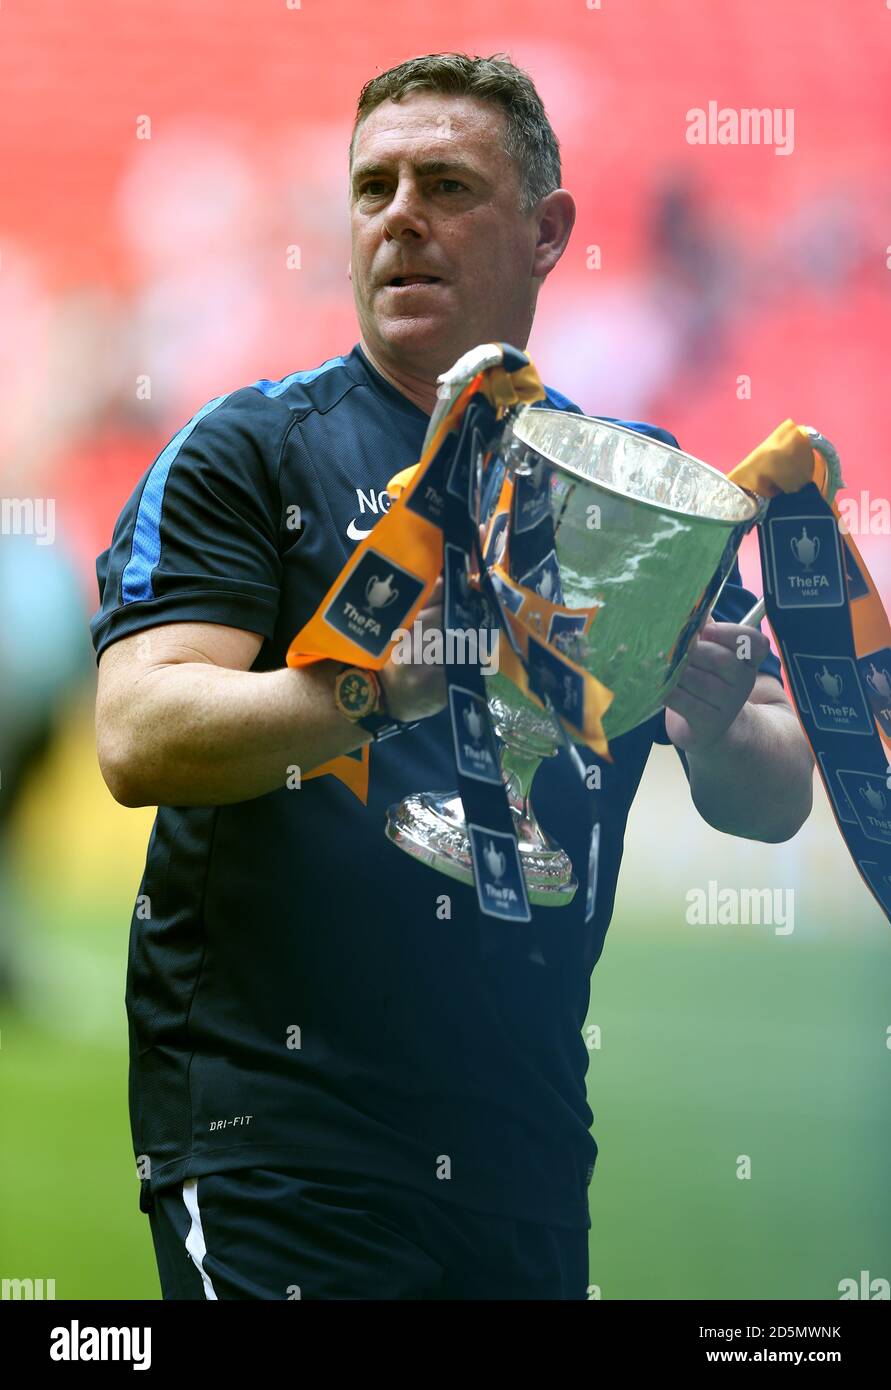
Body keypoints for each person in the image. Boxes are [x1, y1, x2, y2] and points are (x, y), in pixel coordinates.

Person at [92, 52, 814, 1301]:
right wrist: (385, 685)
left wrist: (707, 719)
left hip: (525, 1151)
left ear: (548, 232)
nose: (398, 216)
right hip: (280, 1137)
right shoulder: (254, 451)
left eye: (445, 184)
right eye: (373, 187)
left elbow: (775, 790)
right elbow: (139, 734)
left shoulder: (634, 489)